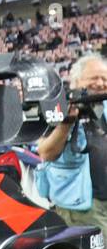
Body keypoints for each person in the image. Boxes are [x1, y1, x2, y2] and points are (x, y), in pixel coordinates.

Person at [36, 53, 107, 233]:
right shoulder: (59, 106)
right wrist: (66, 123)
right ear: (76, 80)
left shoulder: (103, 106)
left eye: (104, 78)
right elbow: (46, 153)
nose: (100, 83)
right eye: (94, 78)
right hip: (82, 207)